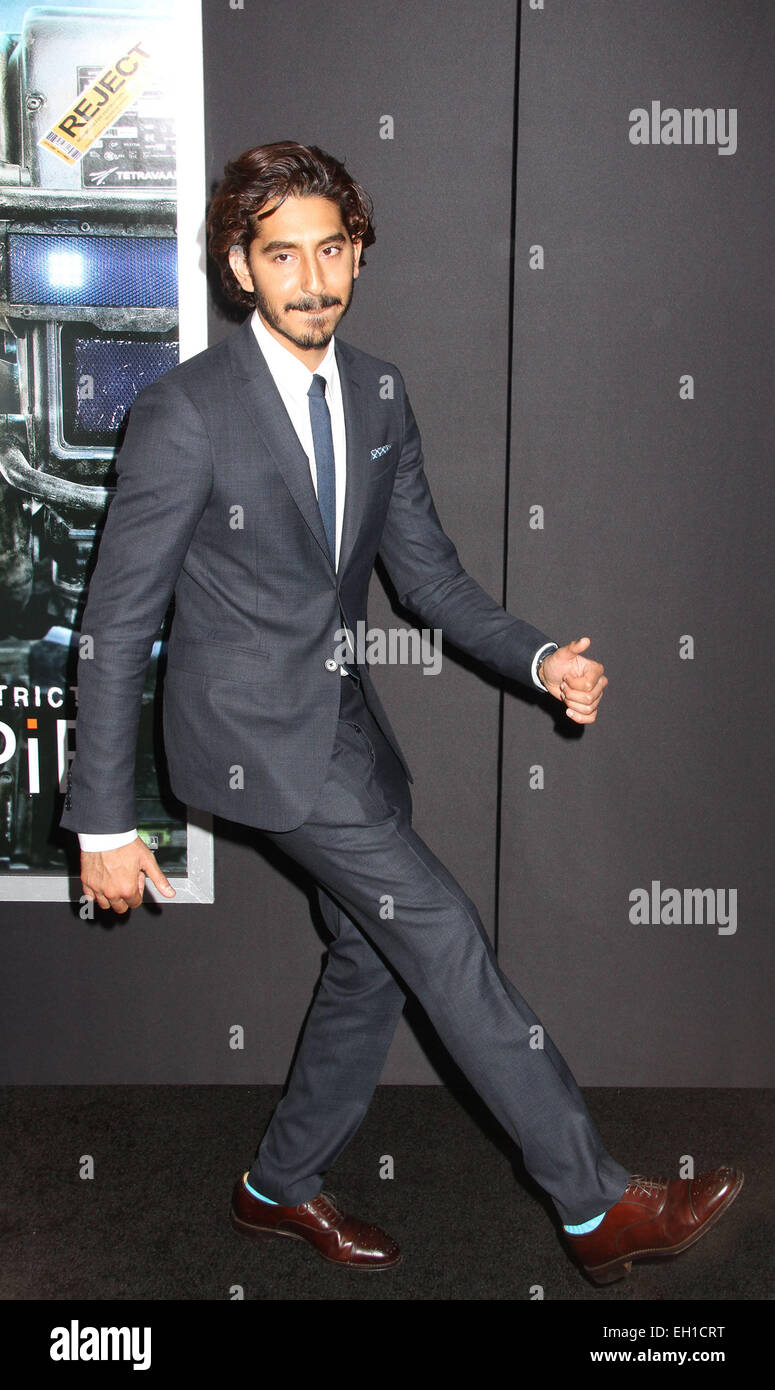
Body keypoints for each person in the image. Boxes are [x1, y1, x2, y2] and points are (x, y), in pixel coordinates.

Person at [60, 141, 742, 1285]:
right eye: (283, 255)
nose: (312, 279)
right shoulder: (185, 414)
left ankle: (276, 1187)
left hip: (344, 724)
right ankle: (596, 1205)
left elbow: (426, 578)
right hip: (246, 738)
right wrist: (102, 824)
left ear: (358, 253)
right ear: (241, 268)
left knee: (371, 957)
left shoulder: (377, 392)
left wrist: (538, 661)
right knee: (436, 929)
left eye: (332, 249)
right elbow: (114, 622)